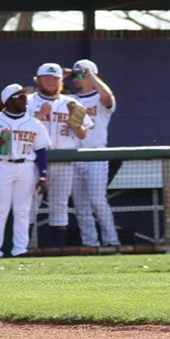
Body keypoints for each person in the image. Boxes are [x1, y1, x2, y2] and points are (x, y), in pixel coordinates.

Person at [0, 83, 51, 258]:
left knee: (23, 210)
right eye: (21, 97)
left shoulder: (34, 122)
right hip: (1, 165)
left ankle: (20, 249)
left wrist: (43, 175)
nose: (25, 99)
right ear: (9, 101)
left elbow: (41, 151)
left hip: (26, 167)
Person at [29, 62, 88, 250]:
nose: (51, 82)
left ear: (61, 81)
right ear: (37, 80)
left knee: (60, 205)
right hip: (34, 160)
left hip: (63, 160)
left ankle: (59, 249)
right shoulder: (27, 101)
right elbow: (17, 127)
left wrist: (76, 124)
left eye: (55, 79)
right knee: (30, 205)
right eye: (46, 78)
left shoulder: (71, 103)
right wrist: (39, 115)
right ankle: (21, 248)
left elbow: (83, 134)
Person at [66, 59, 120, 249]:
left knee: (98, 201)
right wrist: (64, 76)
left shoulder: (99, 97)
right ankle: (90, 243)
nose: (76, 79)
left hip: (96, 155)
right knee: (81, 206)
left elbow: (107, 96)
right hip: (73, 156)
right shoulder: (68, 99)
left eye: (81, 75)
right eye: (75, 75)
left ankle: (112, 241)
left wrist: (90, 75)